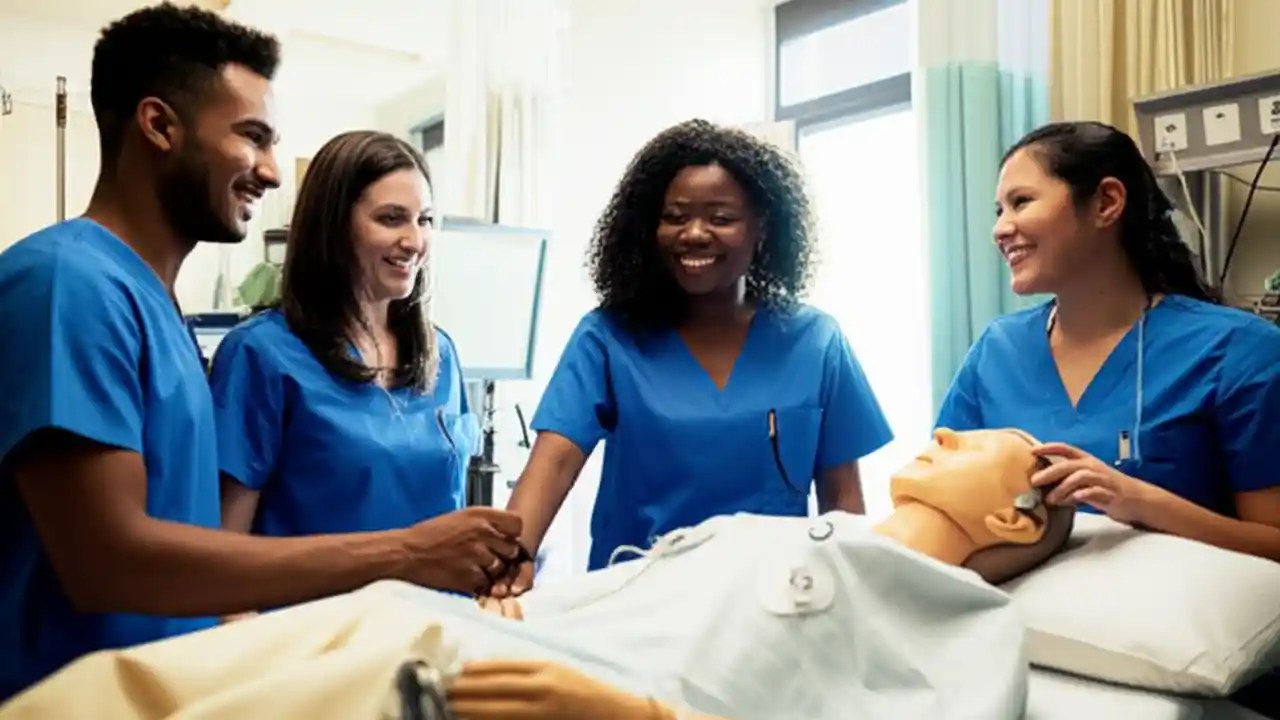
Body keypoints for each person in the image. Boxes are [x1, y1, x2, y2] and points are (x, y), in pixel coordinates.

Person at [0, 4, 520, 701]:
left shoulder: (151, 305)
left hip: (178, 689)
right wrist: (408, 552)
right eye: (253, 138)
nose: (273, 173)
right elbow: (107, 561)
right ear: (159, 126)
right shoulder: (68, 284)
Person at [0, 428, 1075, 720]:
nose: (942, 428)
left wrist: (637, 717)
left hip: (555, 696)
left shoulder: (969, 625)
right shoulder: (768, 531)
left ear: (1010, 516)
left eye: (983, 440)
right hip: (501, 640)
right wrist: (527, 606)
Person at [495, 119, 893, 593]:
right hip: (636, 603)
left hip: (773, 605)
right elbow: (555, 460)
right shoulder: (608, 338)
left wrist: (854, 599)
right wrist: (512, 557)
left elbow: (842, 501)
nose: (695, 233)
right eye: (675, 217)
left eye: (721, 218)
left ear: (762, 226)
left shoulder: (816, 342)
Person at [935, 121, 1280, 564]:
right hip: (1016, 605)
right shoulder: (996, 351)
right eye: (999, 211)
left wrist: (1139, 502)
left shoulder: (1240, 352)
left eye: (1021, 202)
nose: (1001, 229)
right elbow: (941, 510)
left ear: (1107, 202)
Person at [210, 131, 480, 547]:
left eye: (424, 219)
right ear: (333, 226)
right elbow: (222, 549)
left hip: (436, 592)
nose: (414, 241)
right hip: (319, 593)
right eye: (391, 219)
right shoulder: (261, 354)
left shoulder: (439, 353)